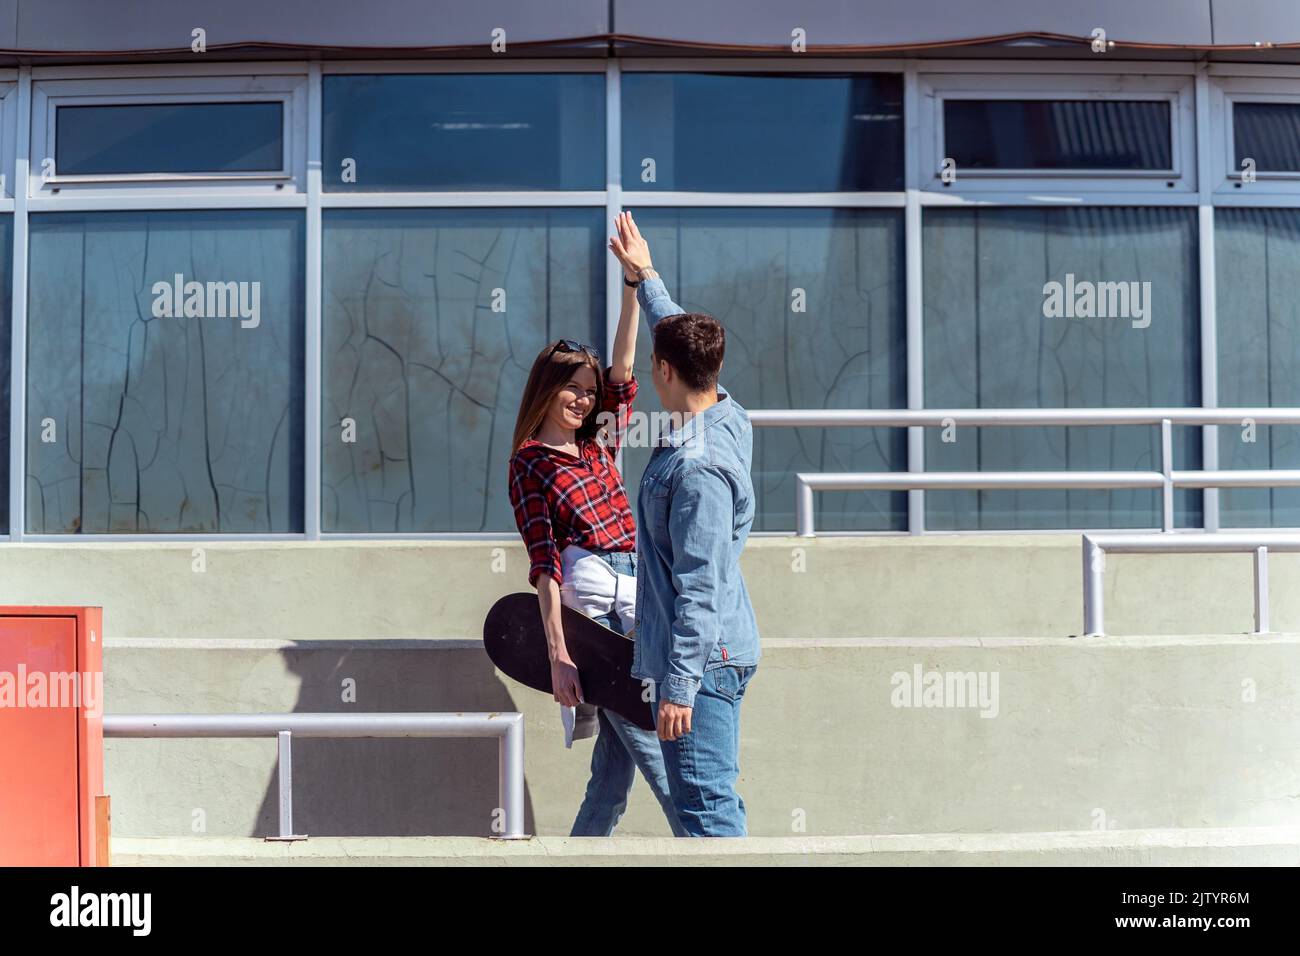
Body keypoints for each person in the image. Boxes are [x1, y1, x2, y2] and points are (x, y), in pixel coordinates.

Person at [507, 213, 686, 837]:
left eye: (588, 390)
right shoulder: (531, 462)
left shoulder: (599, 443)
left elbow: (623, 368)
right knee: (660, 757)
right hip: (592, 600)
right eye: (572, 389)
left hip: (641, 589)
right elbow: (544, 564)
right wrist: (559, 653)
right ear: (547, 390)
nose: (584, 399)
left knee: (613, 776)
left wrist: (634, 284)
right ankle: (711, 847)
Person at [609, 213, 761, 837]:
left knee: (705, 811)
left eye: (654, 365)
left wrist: (679, 687)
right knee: (704, 801)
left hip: (702, 660)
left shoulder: (697, 470)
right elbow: (676, 327)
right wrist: (644, 277)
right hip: (706, 653)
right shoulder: (728, 414)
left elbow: (699, 586)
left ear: (665, 372)